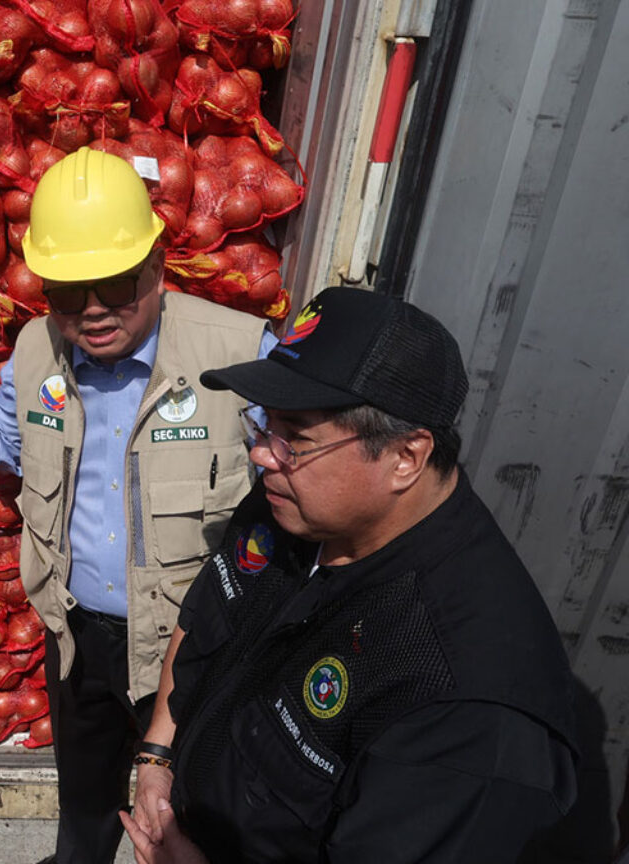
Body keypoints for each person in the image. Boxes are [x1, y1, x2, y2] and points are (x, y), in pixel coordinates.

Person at [0, 146, 276, 864]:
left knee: (194, 817)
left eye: (116, 284)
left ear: (156, 265)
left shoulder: (239, 354)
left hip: (190, 646)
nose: (95, 310)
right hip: (77, 639)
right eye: (70, 292)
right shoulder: (34, 351)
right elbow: (10, 450)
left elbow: (298, 487)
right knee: (83, 808)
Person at [120, 286, 578, 864]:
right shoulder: (291, 504)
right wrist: (157, 760)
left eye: (296, 436)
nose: (264, 455)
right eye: (264, 425)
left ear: (406, 458)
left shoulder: (466, 708)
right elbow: (205, 615)